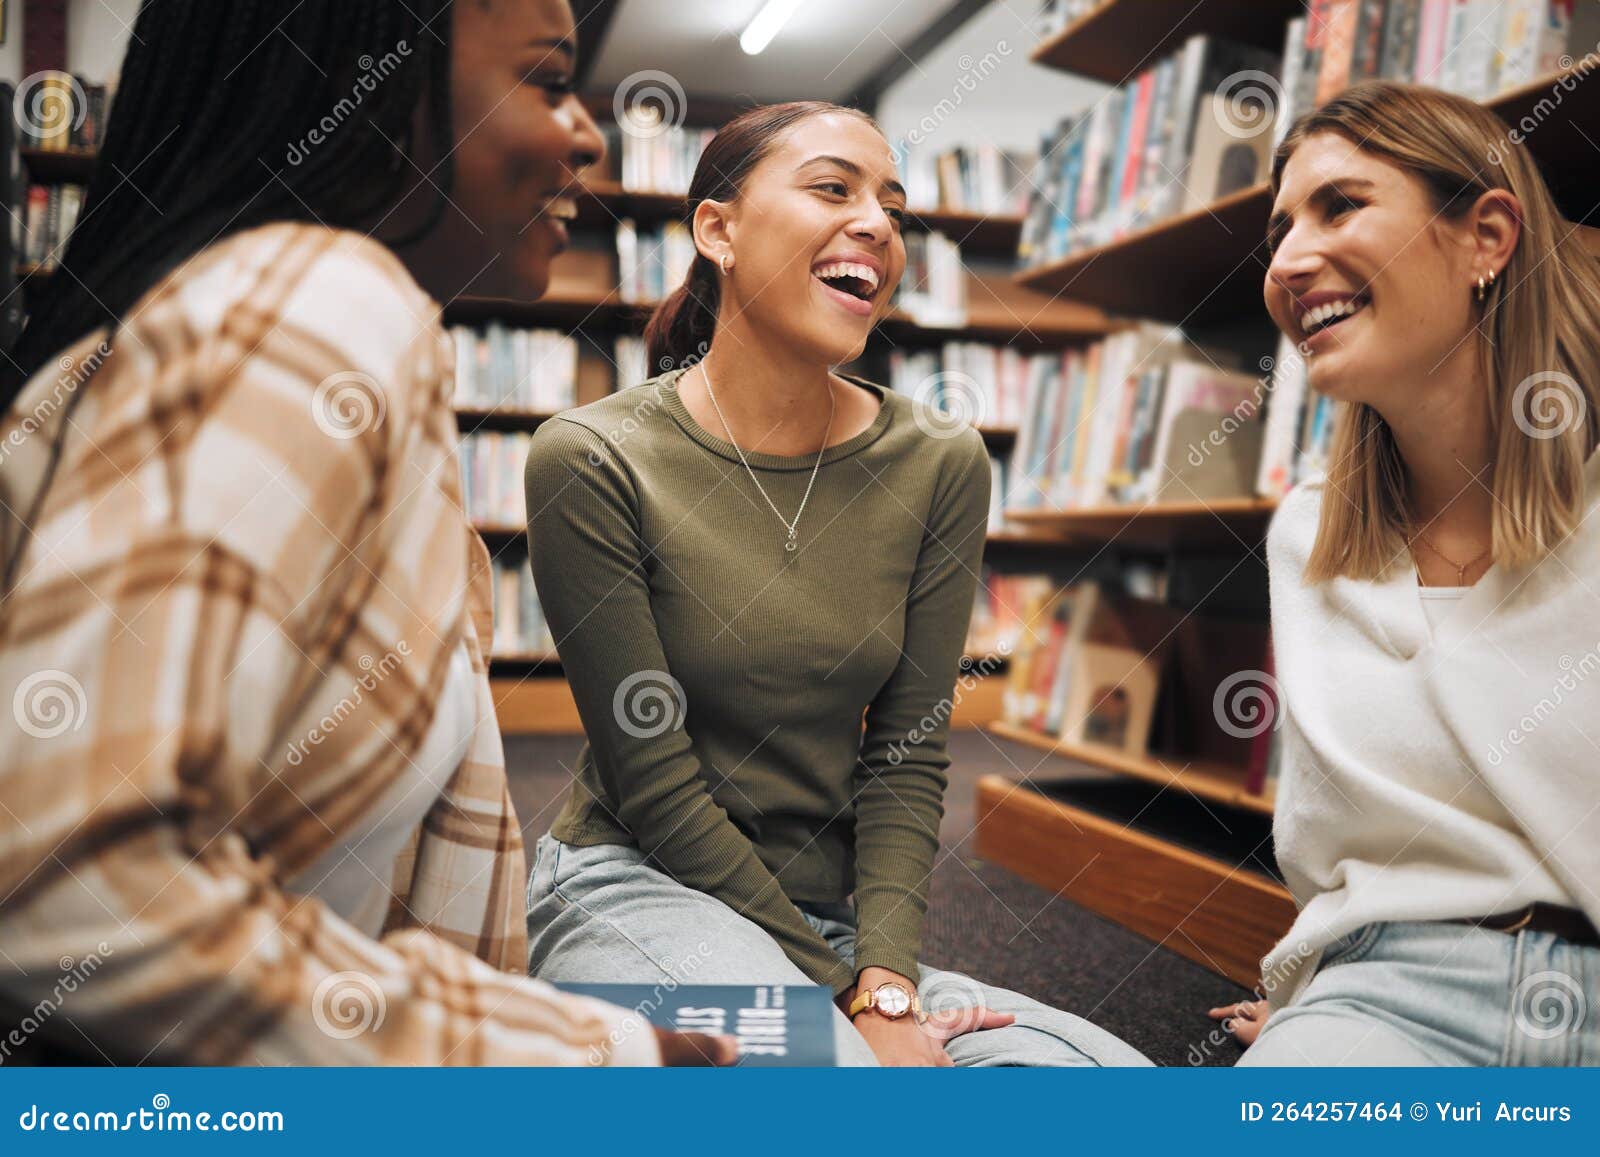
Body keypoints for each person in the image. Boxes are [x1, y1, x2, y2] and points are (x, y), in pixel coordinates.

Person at [0, 0, 732, 1067]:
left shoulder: (289, 330)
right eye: (546, 79)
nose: (587, 134)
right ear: (368, 82)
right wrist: (595, 1060)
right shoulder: (315, 305)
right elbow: (68, 879)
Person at [521, 100, 1152, 1067]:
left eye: (893, 206)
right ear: (717, 230)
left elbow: (907, 753)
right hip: (637, 877)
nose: (878, 225)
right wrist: (852, 1003)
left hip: (827, 918)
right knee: (832, 1074)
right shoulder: (592, 456)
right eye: (832, 188)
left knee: (1102, 1077)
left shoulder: (940, 459)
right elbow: (654, 787)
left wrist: (887, 983)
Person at [1225, 79, 1600, 1065]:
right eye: (1279, 228)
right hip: (1390, 1001)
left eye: (1339, 204)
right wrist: (1320, 1004)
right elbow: (1341, 853)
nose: (1289, 260)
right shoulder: (1308, 536)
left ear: (1485, 235)